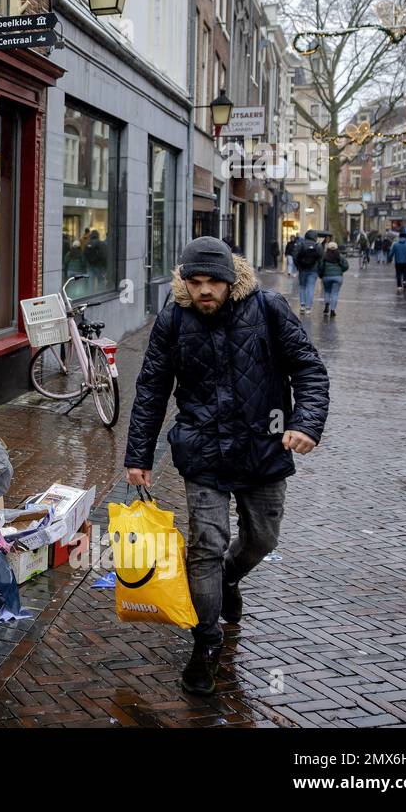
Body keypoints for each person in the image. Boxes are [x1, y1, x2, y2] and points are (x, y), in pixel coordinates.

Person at [124, 236, 329, 696]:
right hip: (203, 452)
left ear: (230, 278)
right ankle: (206, 644)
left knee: (262, 539)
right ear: (183, 282)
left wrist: (306, 424)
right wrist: (138, 456)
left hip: (264, 450)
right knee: (204, 547)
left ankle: (230, 577)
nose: (204, 292)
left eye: (213, 282)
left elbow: (310, 370)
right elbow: (152, 387)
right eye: (194, 282)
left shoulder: (269, 308)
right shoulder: (174, 319)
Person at [292, 230, 322, 314]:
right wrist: (319, 269)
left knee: (302, 287)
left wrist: (298, 266)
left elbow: (295, 256)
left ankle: (302, 305)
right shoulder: (317, 246)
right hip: (313, 270)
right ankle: (308, 307)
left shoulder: (300, 244)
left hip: (302, 269)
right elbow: (321, 259)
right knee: (311, 288)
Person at [317, 242, 349, 317]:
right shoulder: (340, 256)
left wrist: (321, 274)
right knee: (335, 294)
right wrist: (341, 271)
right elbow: (346, 266)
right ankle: (332, 310)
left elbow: (320, 267)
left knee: (327, 291)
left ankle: (327, 304)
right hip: (338, 277)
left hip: (326, 277)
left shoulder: (324, 257)